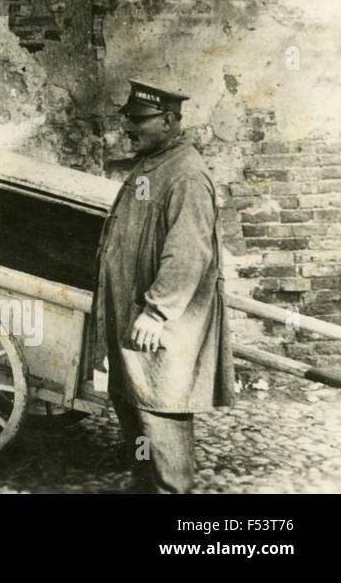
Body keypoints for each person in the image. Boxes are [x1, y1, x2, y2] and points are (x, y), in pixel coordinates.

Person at [93, 79, 236, 493]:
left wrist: (157, 311)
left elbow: (189, 254)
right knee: (136, 413)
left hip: (158, 326)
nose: (129, 128)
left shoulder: (187, 175)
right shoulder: (153, 164)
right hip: (132, 322)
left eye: (139, 120)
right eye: (129, 120)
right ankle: (146, 487)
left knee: (160, 414)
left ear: (170, 121)